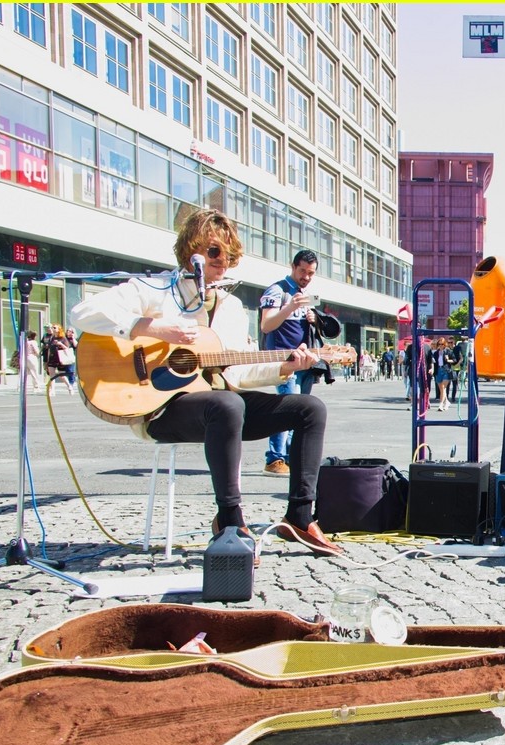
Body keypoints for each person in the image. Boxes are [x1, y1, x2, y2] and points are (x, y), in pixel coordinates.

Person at [70, 208, 340, 556]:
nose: (222, 262)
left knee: (309, 408)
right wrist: (149, 327)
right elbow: (83, 314)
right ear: (190, 249)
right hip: (162, 409)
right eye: (214, 252)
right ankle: (230, 522)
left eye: (229, 256)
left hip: (219, 407)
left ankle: (299, 517)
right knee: (227, 404)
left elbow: (237, 373)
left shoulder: (230, 306)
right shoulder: (154, 290)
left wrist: (286, 366)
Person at [259, 250, 320, 477]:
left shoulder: (305, 294)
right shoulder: (278, 290)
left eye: (310, 273)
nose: (305, 276)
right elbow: (266, 325)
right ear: (293, 267)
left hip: (305, 360)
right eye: (302, 271)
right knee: (287, 408)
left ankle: (289, 456)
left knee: (298, 411)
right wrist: (290, 308)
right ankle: (274, 458)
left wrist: (314, 318)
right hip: (283, 360)